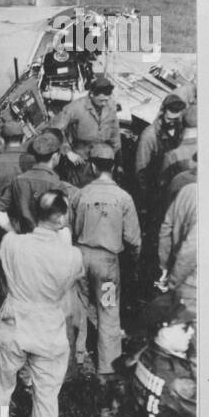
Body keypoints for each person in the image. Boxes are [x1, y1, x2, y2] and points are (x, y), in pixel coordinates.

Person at [0, 190, 84, 417]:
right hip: (49, 327)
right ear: (61, 217)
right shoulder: (72, 256)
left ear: (35, 214)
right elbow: (68, 287)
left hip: (13, 321)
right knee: (47, 395)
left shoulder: (11, 243)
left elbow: (2, 271)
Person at [70, 144, 141, 391]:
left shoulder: (80, 195)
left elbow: (70, 228)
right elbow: (133, 238)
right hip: (108, 264)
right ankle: (108, 365)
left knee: (77, 305)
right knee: (109, 311)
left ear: (91, 166)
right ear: (113, 167)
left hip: (80, 257)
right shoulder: (124, 198)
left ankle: (76, 354)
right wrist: (134, 259)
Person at [0, 132, 80, 235]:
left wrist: (13, 233)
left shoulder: (18, 180)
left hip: (25, 241)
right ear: (55, 156)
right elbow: (64, 224)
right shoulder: (57, 185)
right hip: (49, 243)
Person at [51, 74, 121, 187]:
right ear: (92, 94)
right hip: (81, 161)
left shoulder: (110, 105)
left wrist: (118, 161)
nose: (104, 104)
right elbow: (55, 128)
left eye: (106, 100)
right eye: (101, 100)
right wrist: (68, 152)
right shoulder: (75, 107)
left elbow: (115, 133)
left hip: (104, 159)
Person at [133, 93, 187, 197]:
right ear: (162, 112)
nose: (172, 123)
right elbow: (140, 169)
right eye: (169, 119)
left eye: (175, 119)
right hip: (155, 190)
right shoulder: (149, 136)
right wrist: (146, 196)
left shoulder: (181, 130)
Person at [158, 175, 197, 311]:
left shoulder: (187, 191)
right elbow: (191, 250)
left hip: (182, 277)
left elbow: (166, 229)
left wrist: (164, 267)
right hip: (192, 282)